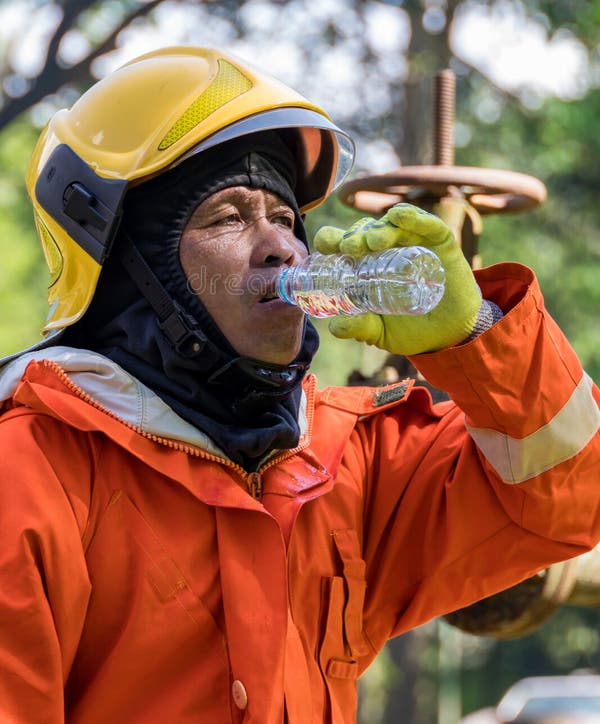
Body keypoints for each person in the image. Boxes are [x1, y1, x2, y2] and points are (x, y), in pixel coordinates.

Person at [0, 45, 598, 724]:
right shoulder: (29, 475)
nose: (282, 247)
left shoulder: (349, 461)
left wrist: (476, 334)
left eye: (284, 219)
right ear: (131, 270)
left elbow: (567, 499)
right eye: (228, 216)